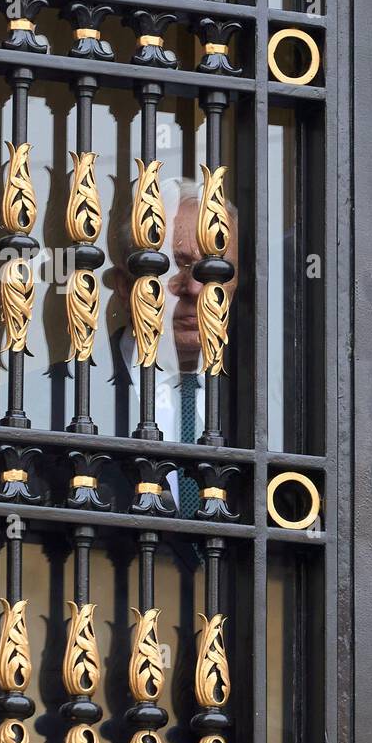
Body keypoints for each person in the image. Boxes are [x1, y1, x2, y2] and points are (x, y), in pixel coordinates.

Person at [105, 177, 240, 515]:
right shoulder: (44, 404)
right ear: (124, 284)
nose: (194, 288)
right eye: (174, 264)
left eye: (215, 269)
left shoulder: (275, 411)